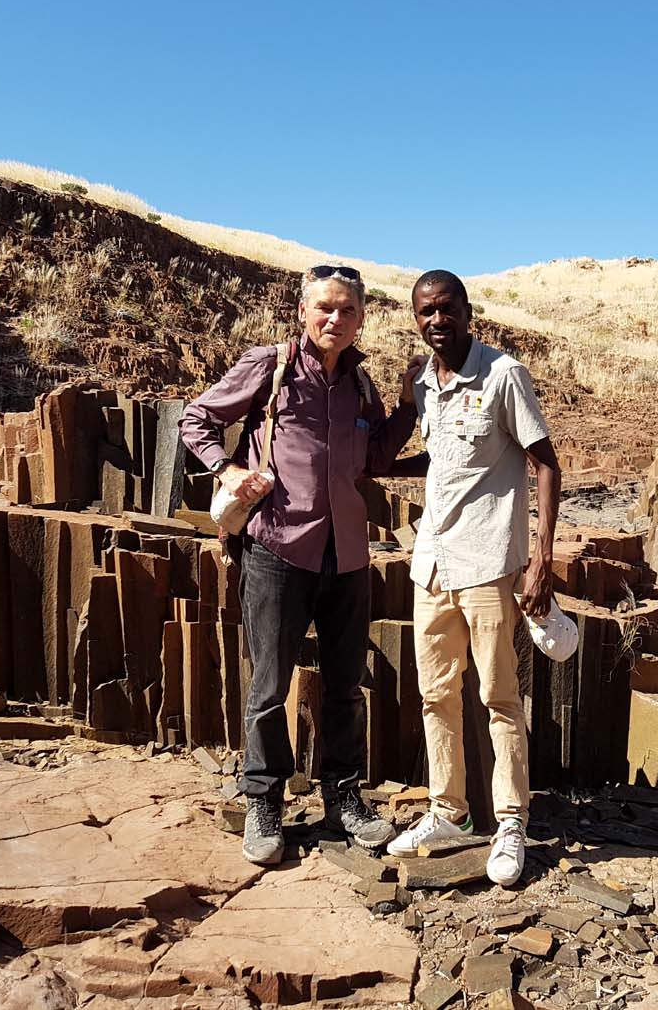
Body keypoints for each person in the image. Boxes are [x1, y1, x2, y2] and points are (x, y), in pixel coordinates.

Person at [179, 265, 418, 865]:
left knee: (345, 685)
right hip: (278, 547)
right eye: (325, 308)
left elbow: (378, 459)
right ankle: (263, 797)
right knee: (268, 684)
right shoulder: (271, 366)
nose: (335, 319)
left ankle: (342, 794)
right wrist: (226, 469)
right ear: (304, 310)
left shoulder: (362, 384)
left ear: (362, 317)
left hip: (348, 556)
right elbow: (195, 418)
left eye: (347, 310)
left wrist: (411, 404)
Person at [384, 269, 561, 888]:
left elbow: (545, 465)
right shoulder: (423, 385)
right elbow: (441, 458)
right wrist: (377, 466)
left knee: (498, 699)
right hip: (431, 561)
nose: (437, 321)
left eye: (447, 309)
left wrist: (541, 559)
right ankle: (448, 812)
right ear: (416, 318)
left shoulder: (504, 375)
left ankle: (511, 821)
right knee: (435, 696)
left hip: (489, 562)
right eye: (425, 312)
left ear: (467, 311)